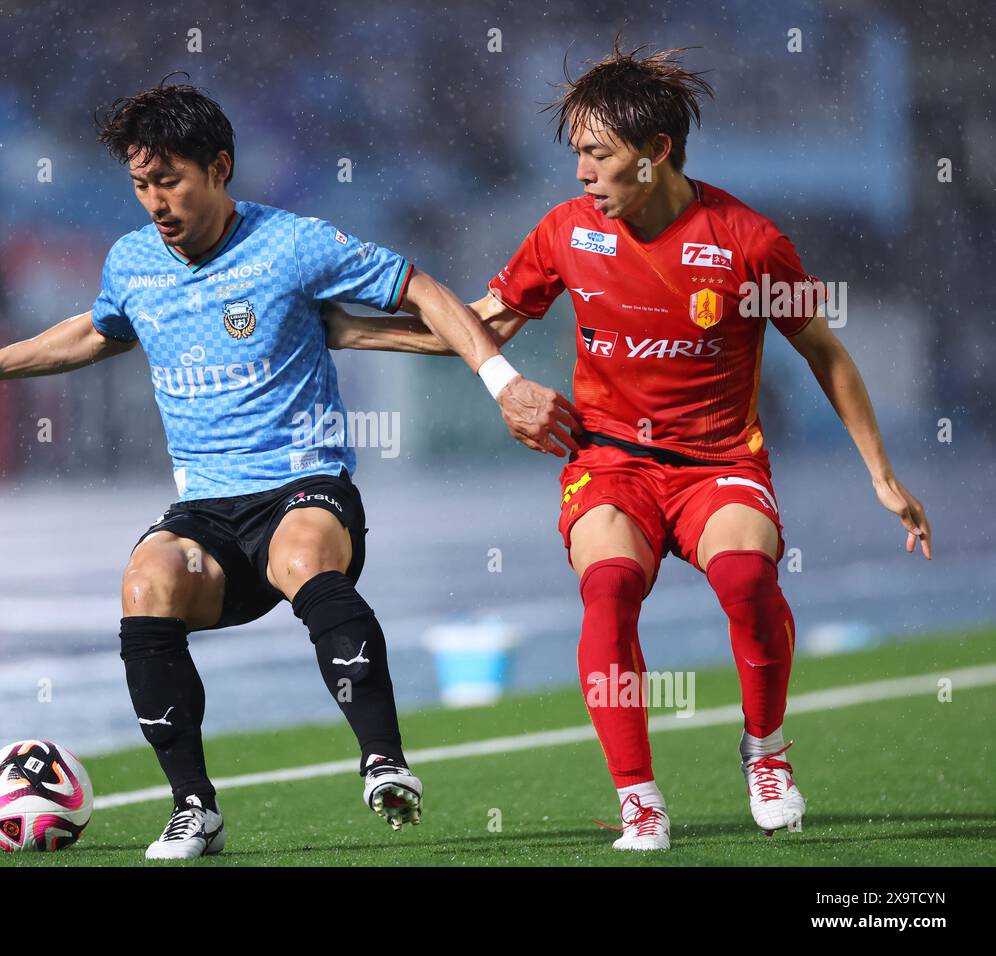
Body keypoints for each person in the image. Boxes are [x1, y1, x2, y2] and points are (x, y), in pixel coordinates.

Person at [0, 81, 575, 860]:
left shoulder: (293, 243)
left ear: (220, 168)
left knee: (299, 556)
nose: (156, 202)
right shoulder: (132, 262)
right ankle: (195, 809)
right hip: (207, 512)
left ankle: (383, 759)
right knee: (145, 582)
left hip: (305, 485)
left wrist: (502, 382)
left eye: (172, 180)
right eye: (141, 185)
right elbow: (99, 329)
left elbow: (416, 288)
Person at [322, 44, 932, 851]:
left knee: (747, 579)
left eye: (597, 154)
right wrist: (353, 331)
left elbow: (825, 351)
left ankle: (766, 750)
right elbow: (483, 328)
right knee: (609, 591)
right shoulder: (568, 233)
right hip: (610, 463)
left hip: (719, 463)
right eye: (576, 151)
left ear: (657, 155)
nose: (580, 171)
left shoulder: (748, 241)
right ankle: (640, 798)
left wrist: (883, 478)